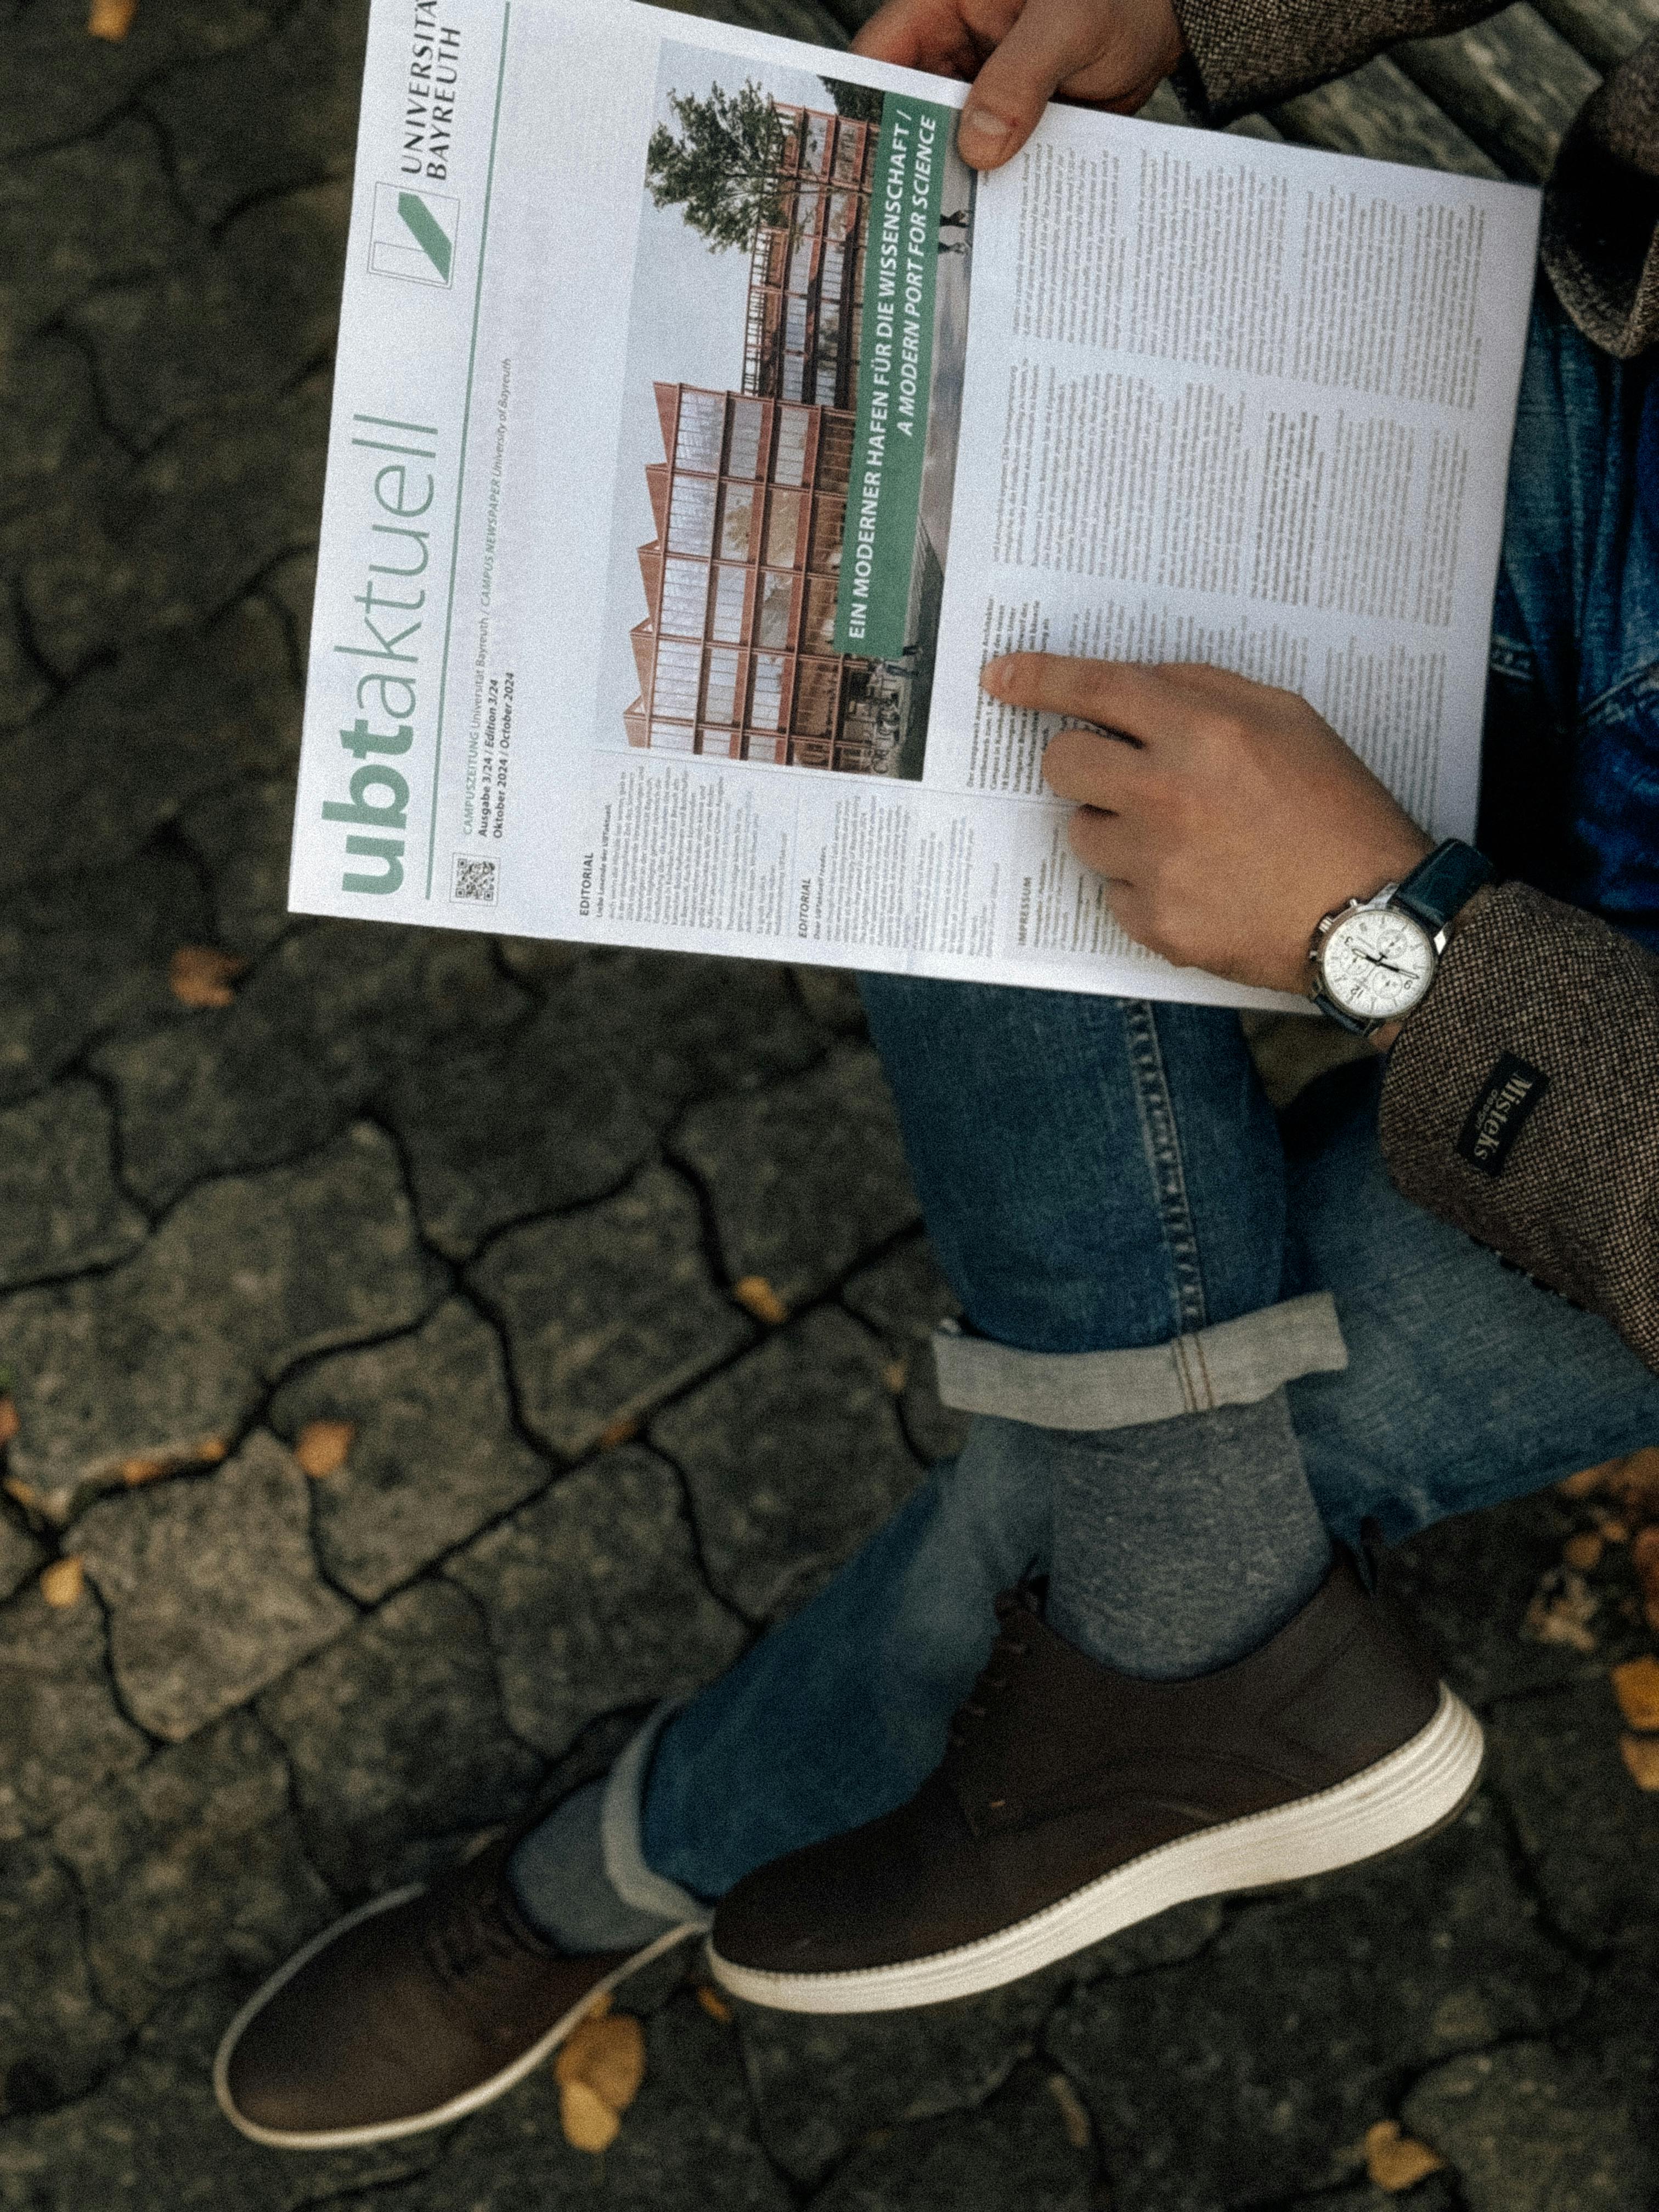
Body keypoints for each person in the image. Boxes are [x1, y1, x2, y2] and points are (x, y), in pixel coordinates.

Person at [214, 0, 1659, 2147]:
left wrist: (1399, 946)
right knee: (935, 587)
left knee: (1061, 1515)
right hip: (1616, 435)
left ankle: (602, 1874)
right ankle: (1200, 1636)